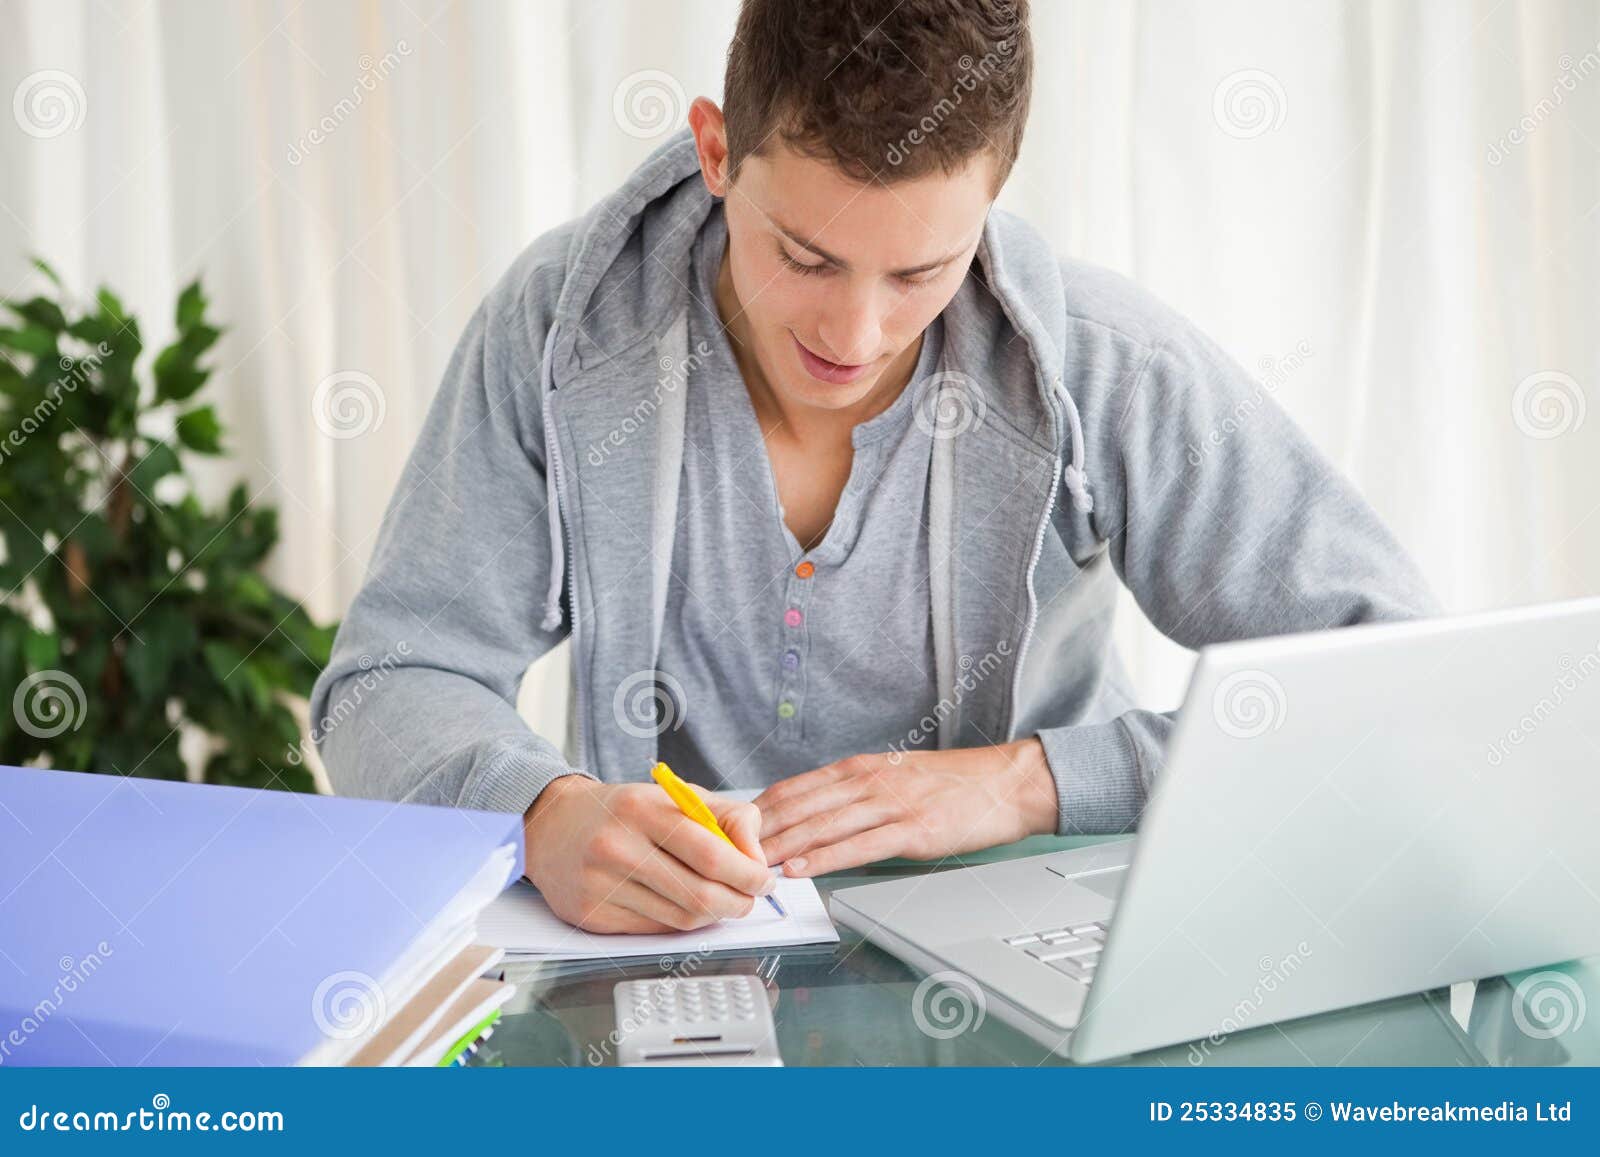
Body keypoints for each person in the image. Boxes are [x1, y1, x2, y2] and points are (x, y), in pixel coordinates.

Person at [311, 0, 1434, 934]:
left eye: (921, 271)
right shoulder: (559, 330)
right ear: (713, 150)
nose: (854, 333)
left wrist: (1026, 781)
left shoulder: (1105, 362)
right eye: (804, 255)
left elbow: (1393, 683)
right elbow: (387, 683)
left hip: (1047, 949)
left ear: (991, 202)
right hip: (686, 973)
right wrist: (540, 807)